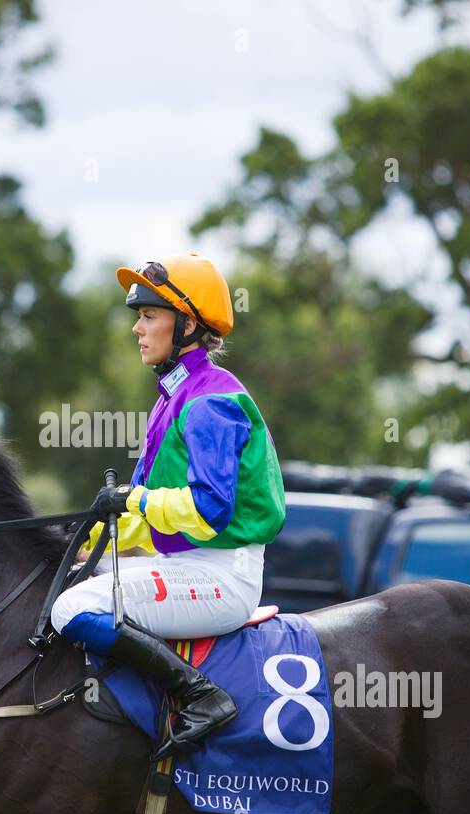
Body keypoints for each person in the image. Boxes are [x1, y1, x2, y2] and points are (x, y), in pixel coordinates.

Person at [50, 254, 287, 761]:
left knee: (72, 608)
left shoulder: (212, 400)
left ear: (187, 324)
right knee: (67, 583)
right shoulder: (174, 396)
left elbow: (208, 511)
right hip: (186, 564)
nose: (137, 328)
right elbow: (150, 523)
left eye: (148, 316)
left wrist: (132, 499)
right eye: (138, 316)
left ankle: (201, 695)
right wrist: (81, 539)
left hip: (224, 577)